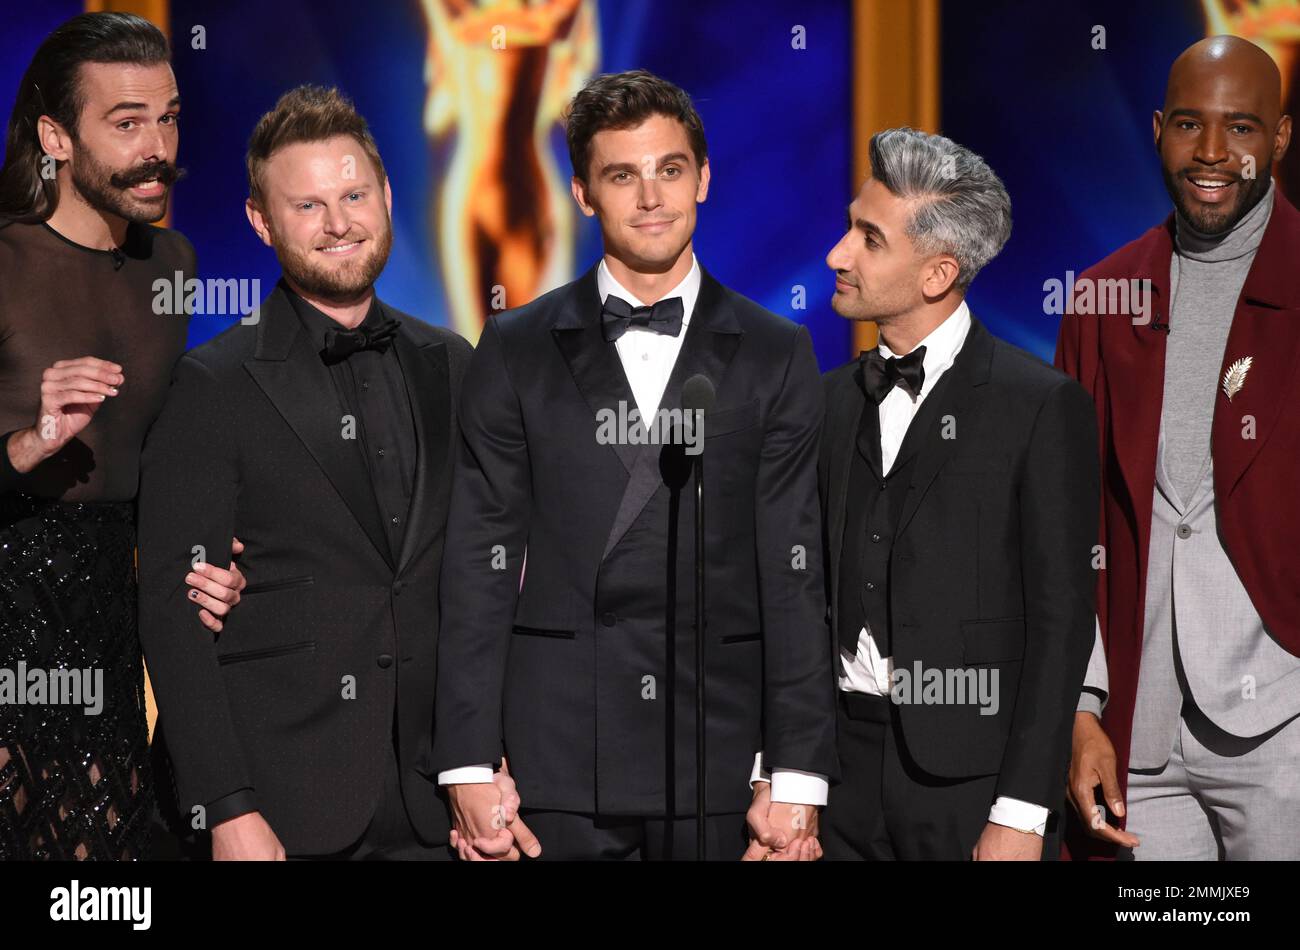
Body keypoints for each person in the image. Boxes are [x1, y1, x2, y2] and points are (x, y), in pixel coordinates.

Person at [433, 69, 837, 861]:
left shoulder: (776, 352)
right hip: (556, 761)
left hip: (715, 761)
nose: (651, 197)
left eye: (671, 169)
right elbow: (478, 566)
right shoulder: (515, 347)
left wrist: (795, 775)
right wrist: (468, 760)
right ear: (583, 193)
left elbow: (795, 574)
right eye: (623, 175)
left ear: (705, 178)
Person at [136, 85, 482, 860]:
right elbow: (174, 615)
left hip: (437, 804)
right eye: (308, 206)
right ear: (261, 222)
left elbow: (478, 582)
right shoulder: (212, 385)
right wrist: (226, 808)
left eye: (354, 194)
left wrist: (486, 757)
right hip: (282, 805)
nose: (339, 224)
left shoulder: (454, 363)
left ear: (387, 195)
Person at [0, 12, 242, 861]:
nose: (157, 144)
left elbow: (165, 452)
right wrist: (27, 444)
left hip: (121, 622)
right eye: (127, 121)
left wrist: (210, 542)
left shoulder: (172, 264)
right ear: (54, 137)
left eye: (169, 117)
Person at [819, 128, 1098, 860]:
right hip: (836, 773)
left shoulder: (1039, 406)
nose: (837, 255)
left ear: (938, 273)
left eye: (868, 239)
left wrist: (1021, 812)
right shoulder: (822, 403)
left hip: (972, 787)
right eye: (850, 225)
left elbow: (1061, 622)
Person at [1059, 35, 1300, 861]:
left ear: (1280, 138)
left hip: (1283, 728)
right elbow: (1072, 521)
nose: (1211, 153)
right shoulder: (1102, 298)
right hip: (1140, 735)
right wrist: (1083, 705)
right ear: (1159, 129)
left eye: (1241, 128)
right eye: (1190, 125)